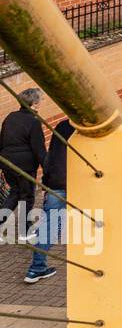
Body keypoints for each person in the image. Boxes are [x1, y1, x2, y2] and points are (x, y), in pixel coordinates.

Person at [25, 117, 72, 284]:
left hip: (56, 181)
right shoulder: (91, 129)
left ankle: (36, 268)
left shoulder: (62, 126)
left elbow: (51, 156)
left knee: (49, 225)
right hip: (81, 181)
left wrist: (46, 183)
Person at [0, 89, 46, 242]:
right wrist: (48, 171)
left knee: (14, 193)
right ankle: (24, 231)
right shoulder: (34, 122)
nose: (41, 103)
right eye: (40, 100)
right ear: (34, 104)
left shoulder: (10, 117)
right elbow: (39, 149)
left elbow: (2, 141)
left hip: (7, 163)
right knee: (27, 197)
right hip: (24, 166)